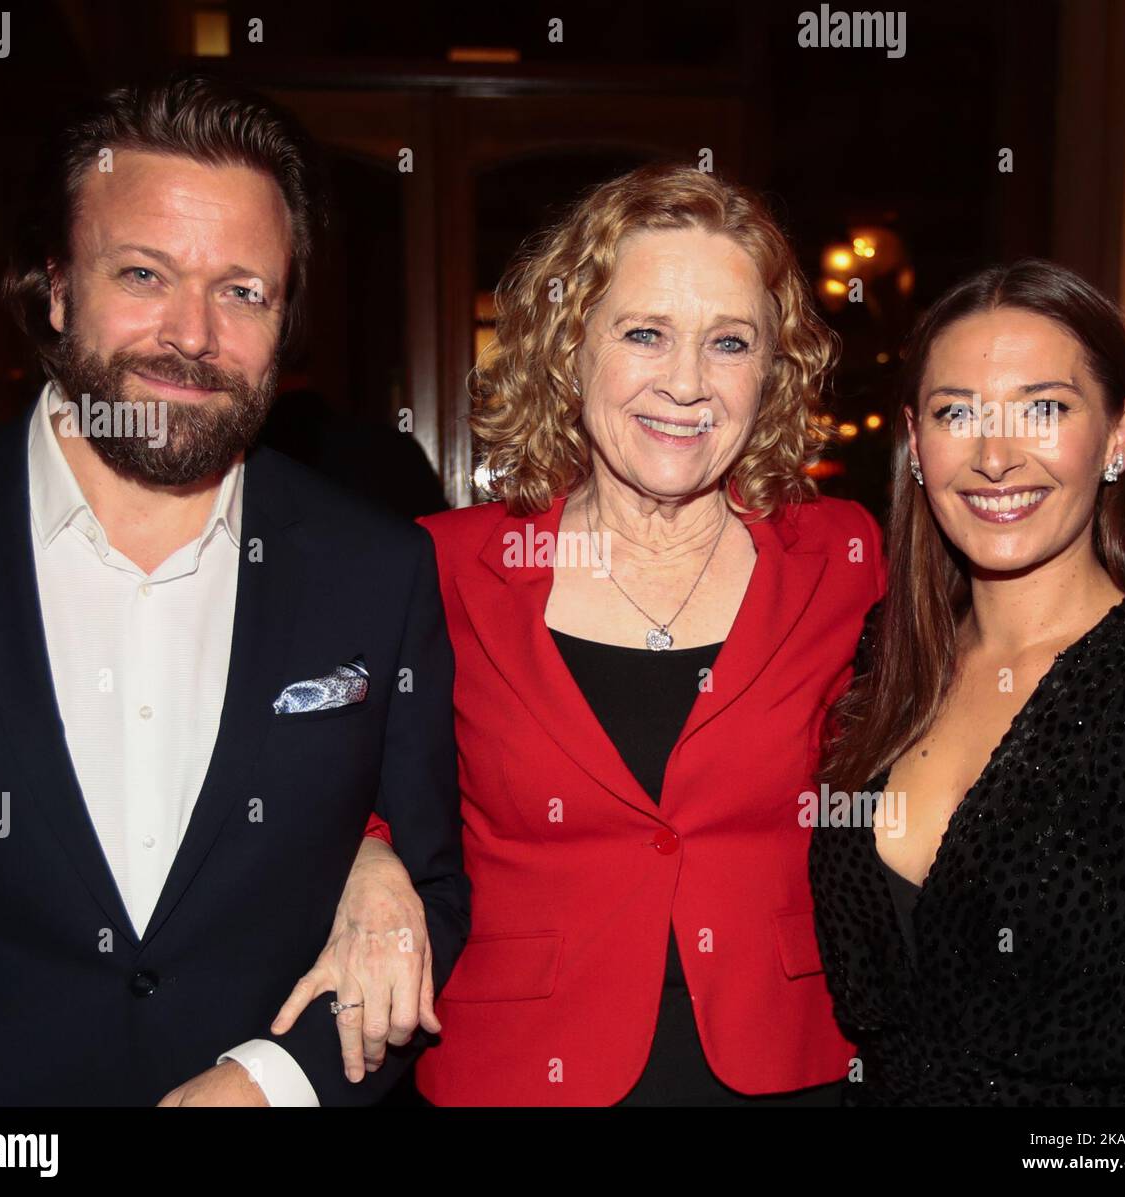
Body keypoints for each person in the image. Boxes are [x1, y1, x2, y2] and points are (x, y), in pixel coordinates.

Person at [0, 73, 469, 1107]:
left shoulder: (374, 571)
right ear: (58, 285)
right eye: (143, 274)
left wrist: (275, 1085)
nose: (193, 336)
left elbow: (430, 892)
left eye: (242, 290)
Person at [275, 163, 886, 1104]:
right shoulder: (441, 567)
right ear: (570, 351)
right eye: (644, 333)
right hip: (518, 1073)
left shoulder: (842, 554)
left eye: (729, 342)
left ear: (772, 371)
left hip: (794, 1069)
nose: (686, 383)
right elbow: (295, 753)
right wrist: (368, 854)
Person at [810, 259, 1125, 1105]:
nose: (995, 456)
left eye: (1044, 408)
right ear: (916, 443)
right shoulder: (889, 657)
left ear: (1120, 435)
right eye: (958, 413)